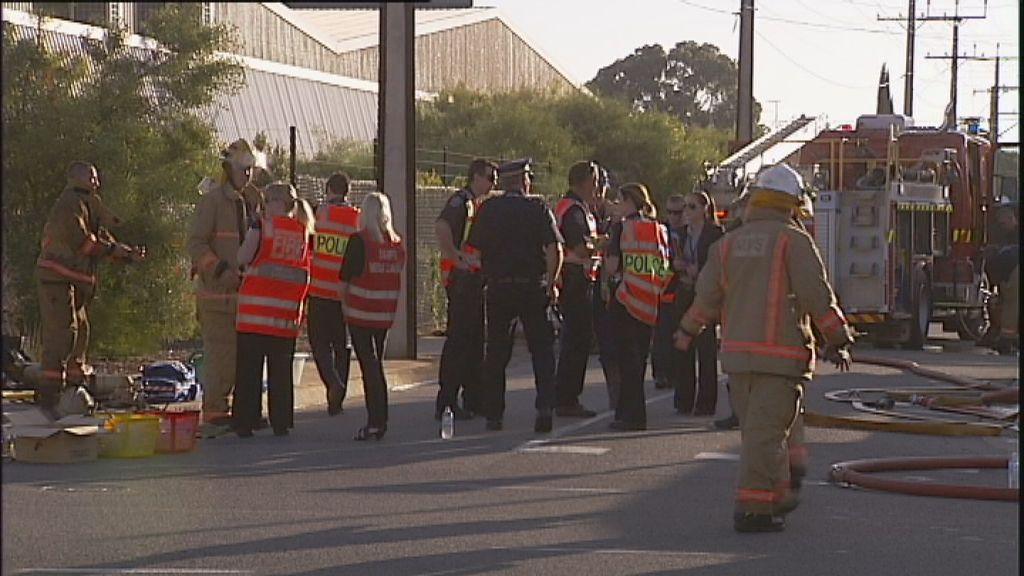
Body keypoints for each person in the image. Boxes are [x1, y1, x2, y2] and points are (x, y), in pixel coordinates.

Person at [674, 163, 854, 533]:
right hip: (781, 360)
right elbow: (817, 297)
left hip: (738, 359)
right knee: (766, 436)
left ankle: (778, 496)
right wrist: (838, 339)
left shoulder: (726, 245)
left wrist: (686, 331)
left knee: (760, 435)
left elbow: (706, 298)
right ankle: (753, 509)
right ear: (791, 203)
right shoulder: (794, 241)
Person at [34, 161, 145, 416]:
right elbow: (85, 242)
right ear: (77, 178)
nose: (96, 182)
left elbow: (102, 239)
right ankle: (50, 394)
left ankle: (75, 387)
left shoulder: (88, 204)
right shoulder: (69, 205)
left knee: (80, 332)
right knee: (62, 334)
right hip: (57, 278)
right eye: (91, 177)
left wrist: (127, 253)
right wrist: (112, 250)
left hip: (74, 281)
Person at [467, 158, 563, 434]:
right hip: (532, 287)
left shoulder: (488, 209)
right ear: (524, 180)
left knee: (497, 352)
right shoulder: (538, 208)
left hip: (499, 287)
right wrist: (552, 283)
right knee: (542, 351)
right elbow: (554, 249)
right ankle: (544, 409)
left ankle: (494, 414)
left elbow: (473, 250)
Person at [187, 139, 263, 437]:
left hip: (248, 297)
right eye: (243, 169)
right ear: (228, 169)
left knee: (244, 357)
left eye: (251, 169)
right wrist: (220, 271)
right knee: (221, 356)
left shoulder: (254, 200)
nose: (248, 174)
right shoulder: (213, 202)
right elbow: (196, 244)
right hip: (218, 297)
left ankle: (242, 410)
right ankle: (216, 411)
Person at [233, 183, 314, 437]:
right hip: (285, 317)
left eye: (267, 202)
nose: (264, 207)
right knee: (281, 372)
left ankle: (246, 421)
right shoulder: (303, 232)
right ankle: (282, 421)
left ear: (277, 203)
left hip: (255, 316)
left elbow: (242, 258)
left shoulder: (262, 227)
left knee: (249, 371)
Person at [603, 183, 671, 431]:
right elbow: (664, 266)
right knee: (639, 361)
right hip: (649, 300)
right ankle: (628, 412)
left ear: (629, 201)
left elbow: (612, 266)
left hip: (625, 299)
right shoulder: (659, 229)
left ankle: (631, 415)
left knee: (626, 362)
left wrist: (605, 250)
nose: (616, 205)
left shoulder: (621, 228)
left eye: (619, 200)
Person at [340, 192, 407, 441]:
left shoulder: (359, 241)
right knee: (376, 364)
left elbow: (344, 280)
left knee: (370, 367)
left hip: (360, 314)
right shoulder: (396, 245)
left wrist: (345, 306)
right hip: (383, 315)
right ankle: (380, 419)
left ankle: (376, 421)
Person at [435, 158, 498, 420]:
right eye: (490, 177)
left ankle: (474, 398)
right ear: (476, 177)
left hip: (474, 279)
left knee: (475, 342)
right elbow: (442, 226)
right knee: (459, 342)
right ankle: (447, 401)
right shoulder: (460, 201)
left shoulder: (476, 203)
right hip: (461, 280)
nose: (493, 183)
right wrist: (456, 257)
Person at [307, 172, 360, 416]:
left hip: (319, 290)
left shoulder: (318, 214)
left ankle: (332, 381)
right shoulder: (357, 218)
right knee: (341, 344)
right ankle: (337, 399)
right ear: (347, 192)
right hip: (344, 292)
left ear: (328, 189)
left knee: (319, 344)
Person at [553, 161, 602, 419]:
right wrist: (603, 244)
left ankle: (566, 396)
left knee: (576, 339)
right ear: (585, 182)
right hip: (575, 280)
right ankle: (567, 398)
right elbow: (581, 247)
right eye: (595, 182)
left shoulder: (577, 207)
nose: (597, 188)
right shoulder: (573, 210)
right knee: (576, 340)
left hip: (576, 279)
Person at [671, 191, 725, 416]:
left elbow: (720, 264)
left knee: (705, 349)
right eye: (685, 207)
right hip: (684, 292)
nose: (687, 212)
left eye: (692, 207)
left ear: (705, 209)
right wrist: (676, 264)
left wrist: (700, 269)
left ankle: (706, 402)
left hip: (705, 294)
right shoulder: (680, 234)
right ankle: (684, 399)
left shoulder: (715, 233)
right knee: (682, 345)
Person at [590, 166, 621, 411]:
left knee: (612, 345)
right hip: (591, 285)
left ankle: (617, 395)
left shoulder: (614, 219)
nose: (599, 191)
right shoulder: (583, 211)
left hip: (613, 288)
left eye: (602, 186)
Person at [651, 194, 687, 391]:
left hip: (684, 288)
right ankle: (661, 374)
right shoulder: (660, 231)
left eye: (678, 212)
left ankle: (677, 373)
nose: (674, 216)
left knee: (679, 333)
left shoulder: (689, 232)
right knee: (662, 335)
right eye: (670, 212)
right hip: (664, 288)